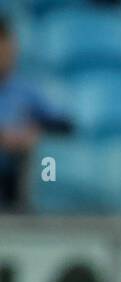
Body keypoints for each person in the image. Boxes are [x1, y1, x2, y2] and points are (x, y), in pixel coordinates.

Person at [0, 15, 71, 208]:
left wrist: (34, 131)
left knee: (47, 158)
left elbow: (65, 124)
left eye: (7, 46)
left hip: (17, 169)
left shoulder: (25, 90)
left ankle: (31, 210)